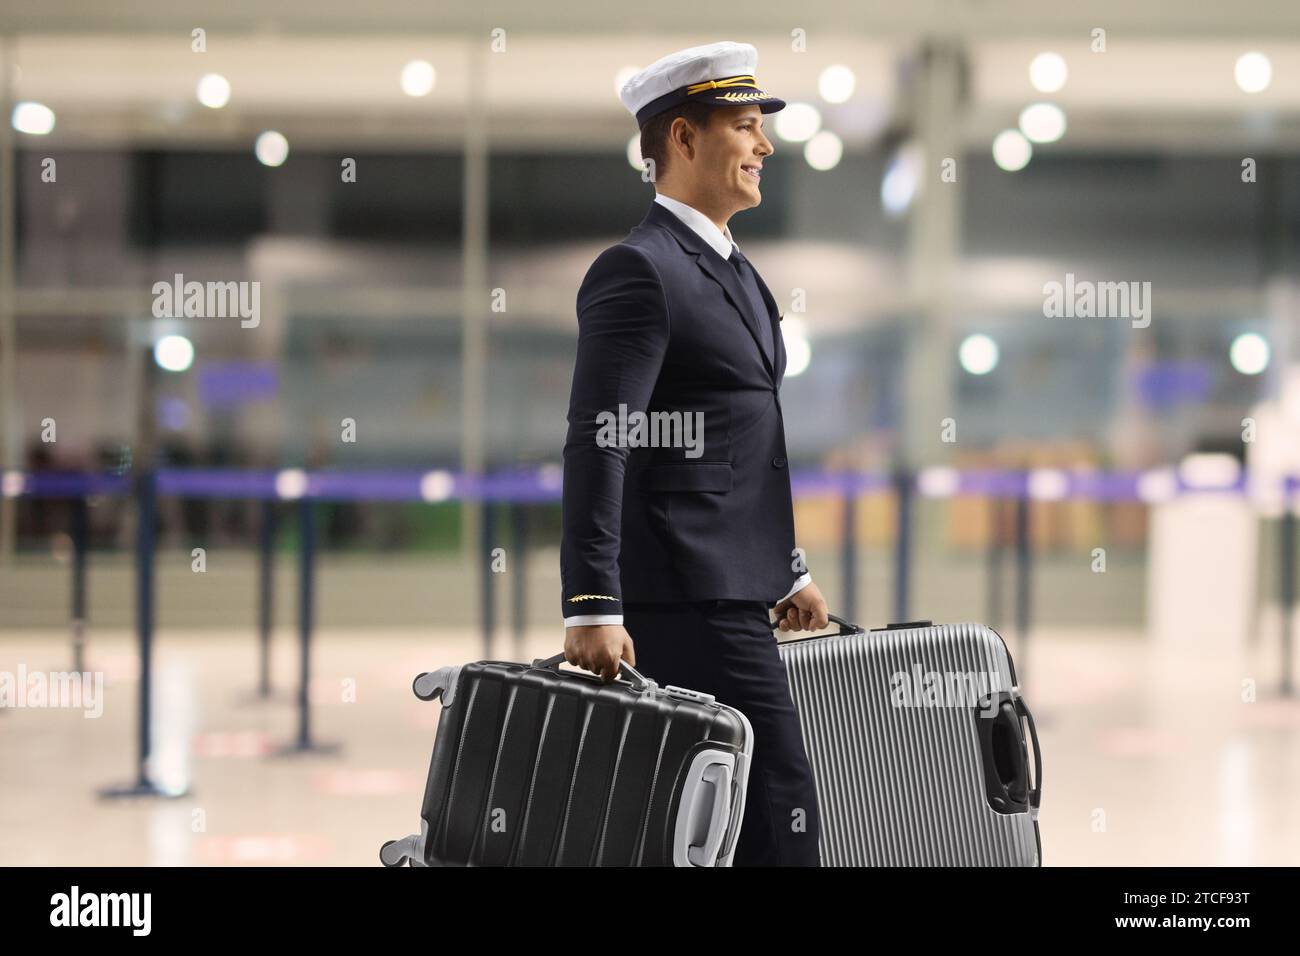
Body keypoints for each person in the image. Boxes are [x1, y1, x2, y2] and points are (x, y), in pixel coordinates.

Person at [559, 41, 829, 866]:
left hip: (734, 590)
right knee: (779, 805)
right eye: (746, 127)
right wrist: (592, 602)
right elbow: (598, 440)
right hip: (682, 597)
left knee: (714, 813)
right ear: (682, 138)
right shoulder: (639, 271)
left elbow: (741, 446)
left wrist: (788, 569)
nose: (765, 146)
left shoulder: (736, 272)